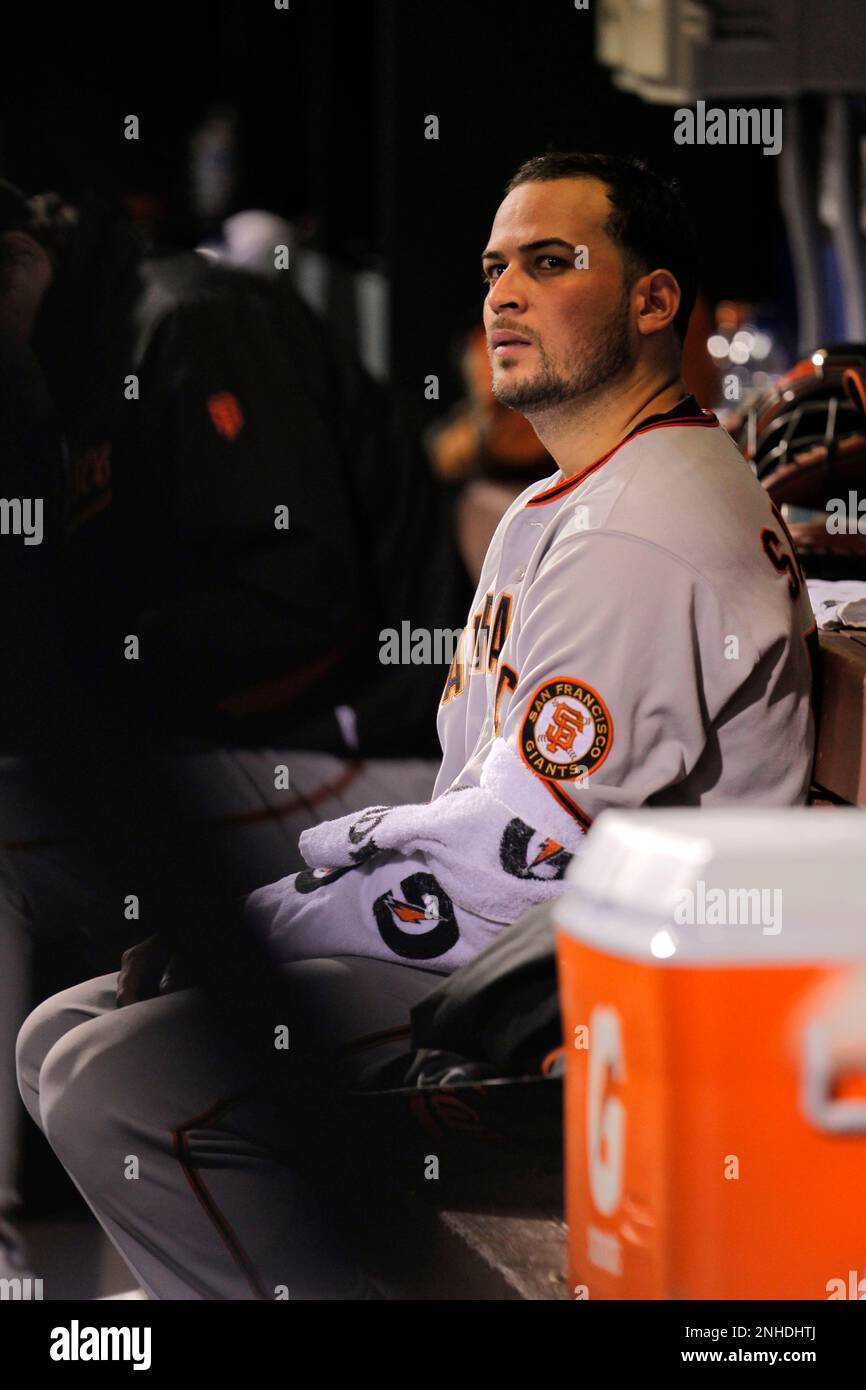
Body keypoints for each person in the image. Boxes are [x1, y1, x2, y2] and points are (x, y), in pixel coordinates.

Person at [16, 152, 816, 1299]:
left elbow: (519, 861)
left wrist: (263, 933)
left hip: (609, 1008)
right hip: (525, 956)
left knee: (115, 1082)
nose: (501, 293)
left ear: (654, 301)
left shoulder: (643, 527)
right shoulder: (572, 497)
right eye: (495, 266)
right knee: (61, 1037)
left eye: (551, 262)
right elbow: (481, 824)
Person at [0, 182, 461, 1277]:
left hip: (389, 753)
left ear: (23, 253)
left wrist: (98, 680)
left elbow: (297, 602)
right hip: (273, 763)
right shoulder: (66, 362)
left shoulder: (190, 319)